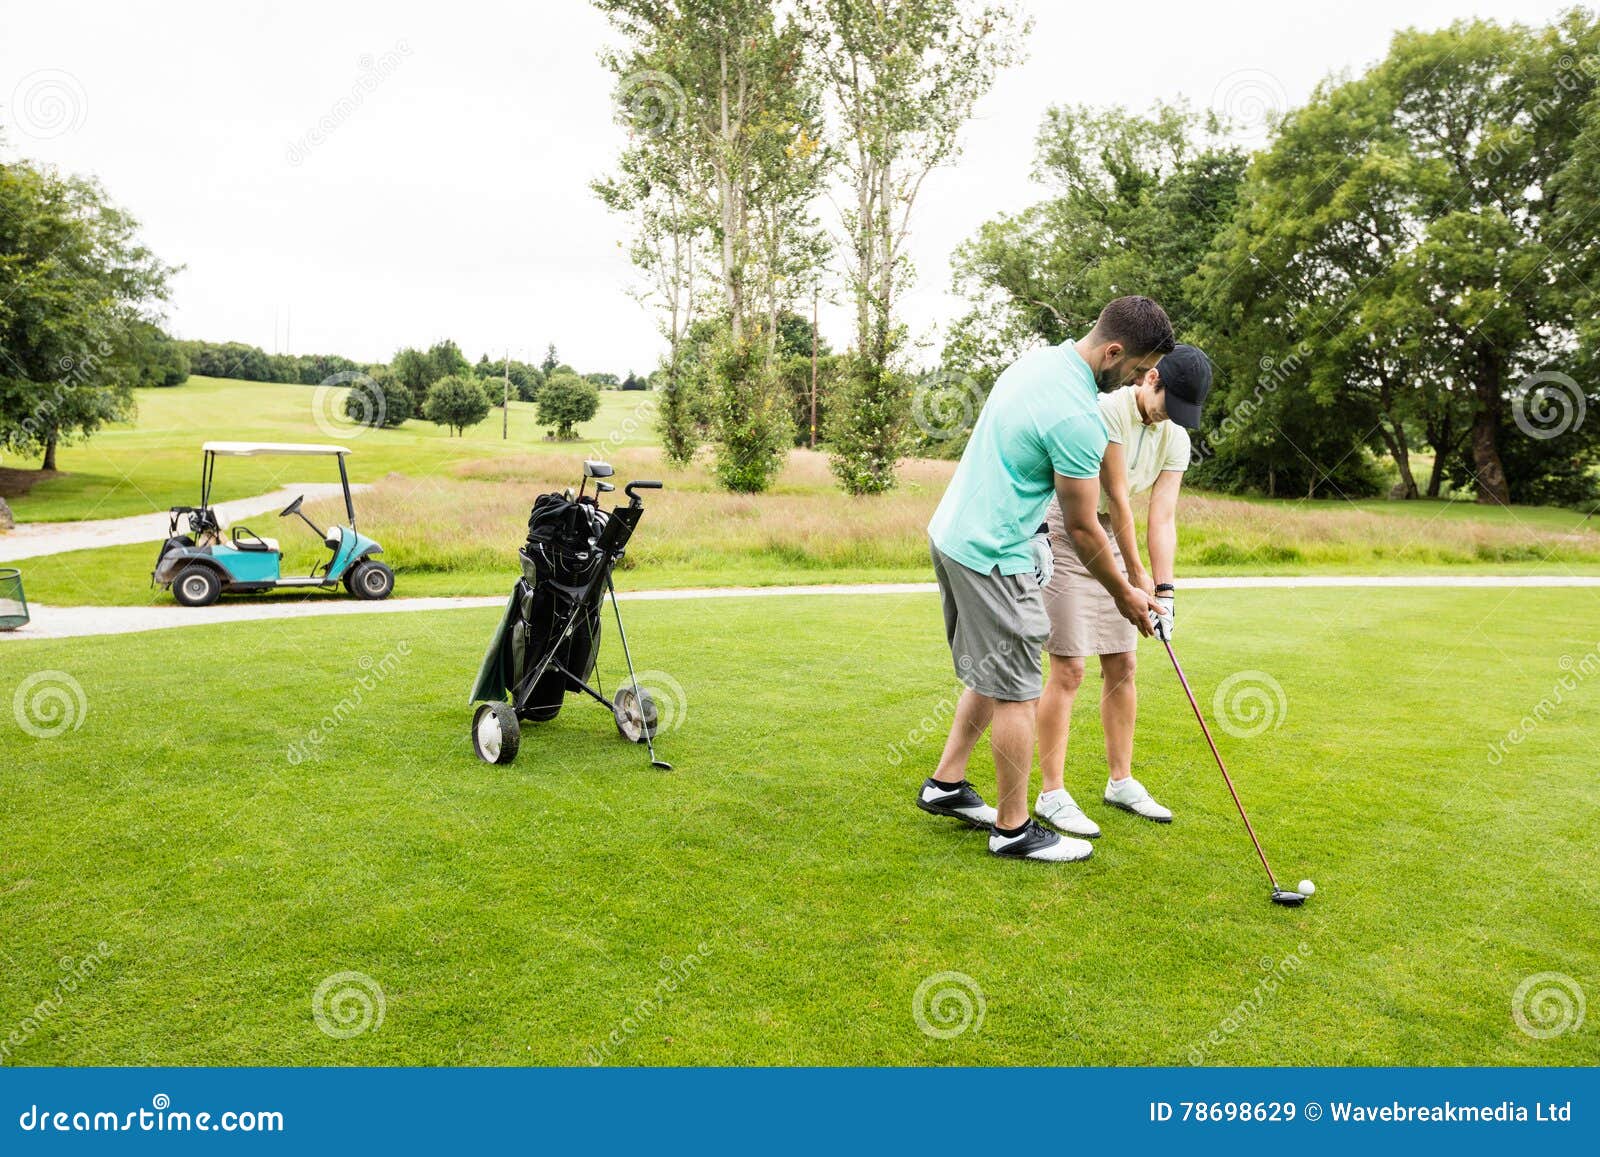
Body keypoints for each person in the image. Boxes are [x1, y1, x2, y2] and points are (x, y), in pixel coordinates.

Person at [917, 296, 1173, 862]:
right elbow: (1084, 530)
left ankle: (947, 785)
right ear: (1113, 351)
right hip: (992, 551)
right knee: (1018, 690)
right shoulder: (1079, 417)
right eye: (1134, 369)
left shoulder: (1036, 362)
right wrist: (1127, 594)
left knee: (992, 670)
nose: (1132, 380)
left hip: (953, 532)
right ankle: (1012, 831)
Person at [1031, 344, 1213, 838]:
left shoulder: (1173, 435)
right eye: (1166, 405)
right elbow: (1115, 497)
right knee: (1069, 668)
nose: (1167, 420)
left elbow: (1163, 516)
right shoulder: (1107, 411)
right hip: (1071, 534)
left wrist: (1166, 589)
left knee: (1123, 663)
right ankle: (1052, 793)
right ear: (1150, 378)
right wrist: (1136, 576)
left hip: (1114, 538)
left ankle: (1121, 781)